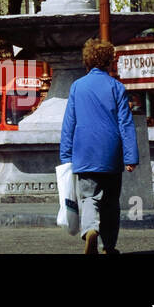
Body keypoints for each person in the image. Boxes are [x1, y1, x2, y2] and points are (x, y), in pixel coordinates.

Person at [59, 38, 138, 255]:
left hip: (84, 153)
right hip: (111, 152)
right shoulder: (117, 87)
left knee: (89, 198)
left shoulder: (77, 87)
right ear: (108, 61)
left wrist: (66, 155)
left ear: (87, 60)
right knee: (111, 202)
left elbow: (69, 123)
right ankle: (108, 246)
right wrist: (131, 157)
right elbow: (126, 123)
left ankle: (90, 229)